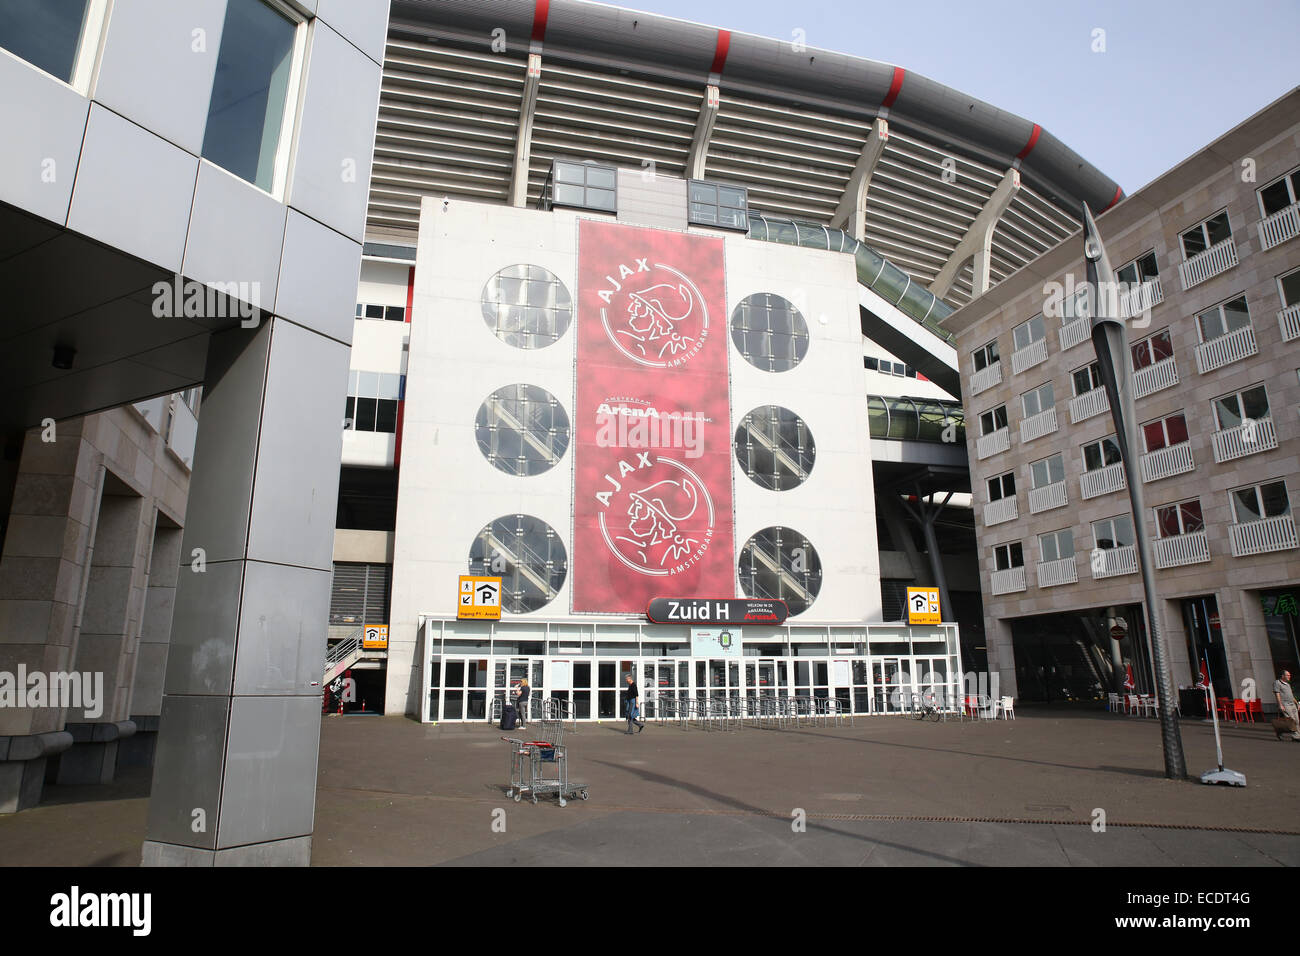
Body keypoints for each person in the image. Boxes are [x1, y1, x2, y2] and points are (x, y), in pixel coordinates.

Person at [1274, 669, 1299, 741]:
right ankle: (1296, 737)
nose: (1289, 676)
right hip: (1285, 704)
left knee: (1297, 721)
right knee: (1292, 721)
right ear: (1282, 676)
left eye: (1289, 675)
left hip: (1292, 704)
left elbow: (1291, 695)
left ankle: (1280, 731)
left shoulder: (1288, 684)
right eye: (1288, 675)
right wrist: (1280, 705)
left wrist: (1297, 703)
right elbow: (1277, 694)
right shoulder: (1277, 683)